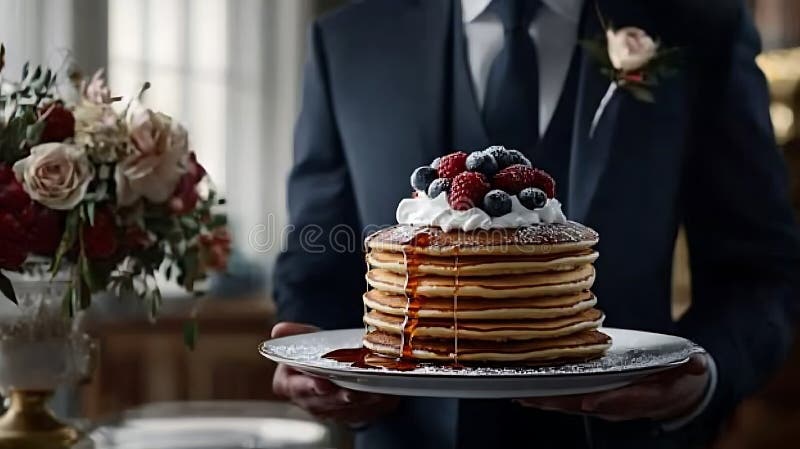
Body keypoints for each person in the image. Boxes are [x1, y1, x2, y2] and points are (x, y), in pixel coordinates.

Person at [272, 0, 800, 448]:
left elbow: (761, 269)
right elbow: (317, 256)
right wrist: (318, 362)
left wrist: (704, 376)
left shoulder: (696, 28)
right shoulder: (349, 39)